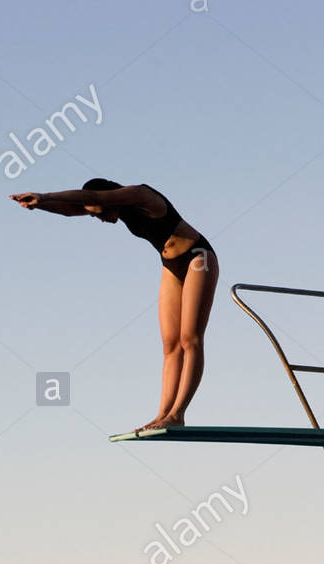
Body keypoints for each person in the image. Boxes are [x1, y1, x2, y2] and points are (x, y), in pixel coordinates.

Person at [11, 180, 218, 430]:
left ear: (108, 198)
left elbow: (92, 196)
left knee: (190, 339)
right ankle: (163, 414)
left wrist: (45, 194)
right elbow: (70, 209)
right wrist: (41, 205)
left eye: (98, 212)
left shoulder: (141, 195)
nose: (99, 219)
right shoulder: (114, 208)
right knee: (170, 344)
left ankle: (178, 414)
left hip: (198, 257)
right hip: (171, 266)